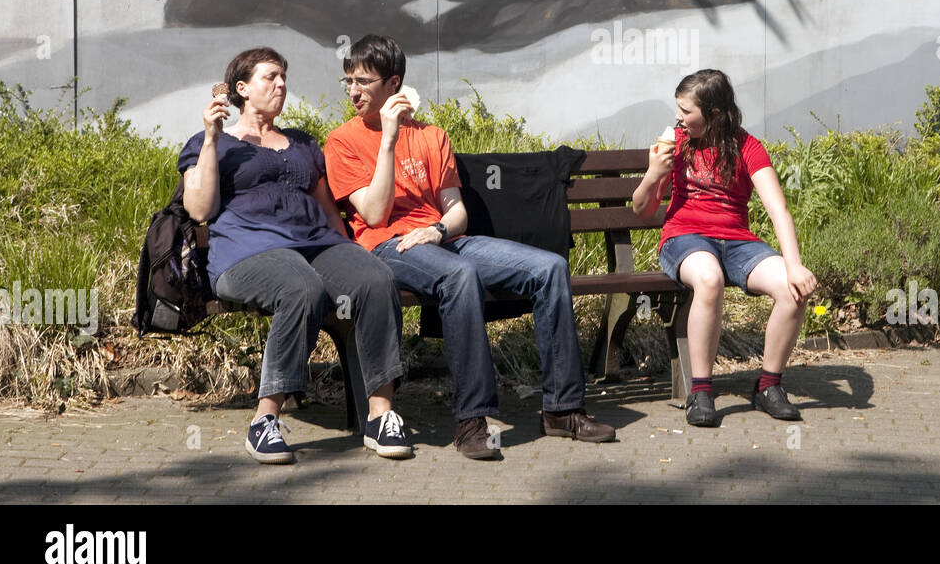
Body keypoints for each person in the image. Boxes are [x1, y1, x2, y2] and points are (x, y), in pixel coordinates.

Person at [322, 34, 615, 459]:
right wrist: (386, 140)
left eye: (363, 82)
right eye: (348, 81)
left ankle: (562, 409)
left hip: (442, 240)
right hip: (388, 245)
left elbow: (456, 211)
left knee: (550, 268)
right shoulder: (342, 141)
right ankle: (471, 421)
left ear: (393, 84)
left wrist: (438, 231)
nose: (353, 91)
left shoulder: (431, 136)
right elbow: (373, 215)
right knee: (460, 276)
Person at [179, 47, 414, 464]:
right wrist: (212, 138)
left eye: (284, 77)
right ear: (242, 89)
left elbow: (328, 213)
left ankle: (381, 415)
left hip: (316, 245)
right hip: (247, 252)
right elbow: (199, 209)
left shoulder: (303, 142)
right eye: (270, 77)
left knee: (375, 278)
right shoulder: (210, 141)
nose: (281, 84)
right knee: (300, 286)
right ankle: (265, 420)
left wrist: (351, 255)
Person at [632, 68, 818, 427]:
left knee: (792, 291)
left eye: (686, 112)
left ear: (713, 114)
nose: (678, 117)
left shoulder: (748, 147)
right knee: (709, 278)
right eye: (678, 109)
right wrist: (654, 172)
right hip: (684, 238)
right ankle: (700, 391)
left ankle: (768, 386)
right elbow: (642, 211)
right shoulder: (676, 144)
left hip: (737, 242)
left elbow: (777, 208)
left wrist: (793, 265)